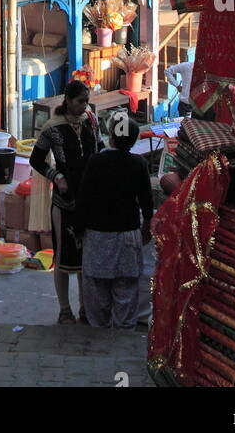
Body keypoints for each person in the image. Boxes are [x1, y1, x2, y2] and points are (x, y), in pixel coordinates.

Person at [29, 80, 103, 323]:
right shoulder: (51, 127)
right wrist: (56, 177)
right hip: (65, 201)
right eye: (80, 101)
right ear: (68, 101)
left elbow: (99, 148)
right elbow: (36, 160)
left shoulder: (91, 120)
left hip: (90, 199)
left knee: (87, 256)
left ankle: (84, 307)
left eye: (86, 100)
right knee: (62, 255)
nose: (85, 105)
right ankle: (64, 309)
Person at [75, 114, 154, 329]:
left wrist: (79, 230)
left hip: (98, 236)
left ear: (111, 137)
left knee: (97, 292)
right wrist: (146, 228)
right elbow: (147, 203)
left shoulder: (96, 162)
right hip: (127, 236)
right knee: (126, 291)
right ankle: (122, 338)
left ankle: (99, 334)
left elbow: (84, 198)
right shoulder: (139, 164)